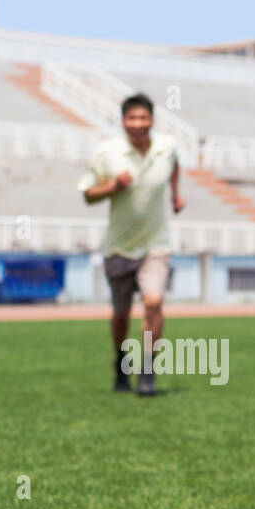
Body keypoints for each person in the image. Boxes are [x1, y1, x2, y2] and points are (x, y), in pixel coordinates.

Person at [78, 93, 184, 395]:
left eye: (143, 118)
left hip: (155, 244)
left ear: (152, 120)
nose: (137, 124)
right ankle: (121, 361)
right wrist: (113, 186)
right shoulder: (107, 153)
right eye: (131, 118)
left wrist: (176, 194)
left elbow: (176, 167)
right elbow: (87, 194)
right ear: (123, 121)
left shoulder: (167, 148)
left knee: (153, 303)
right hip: (119, 246)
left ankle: (147, 373)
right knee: (121, 314)